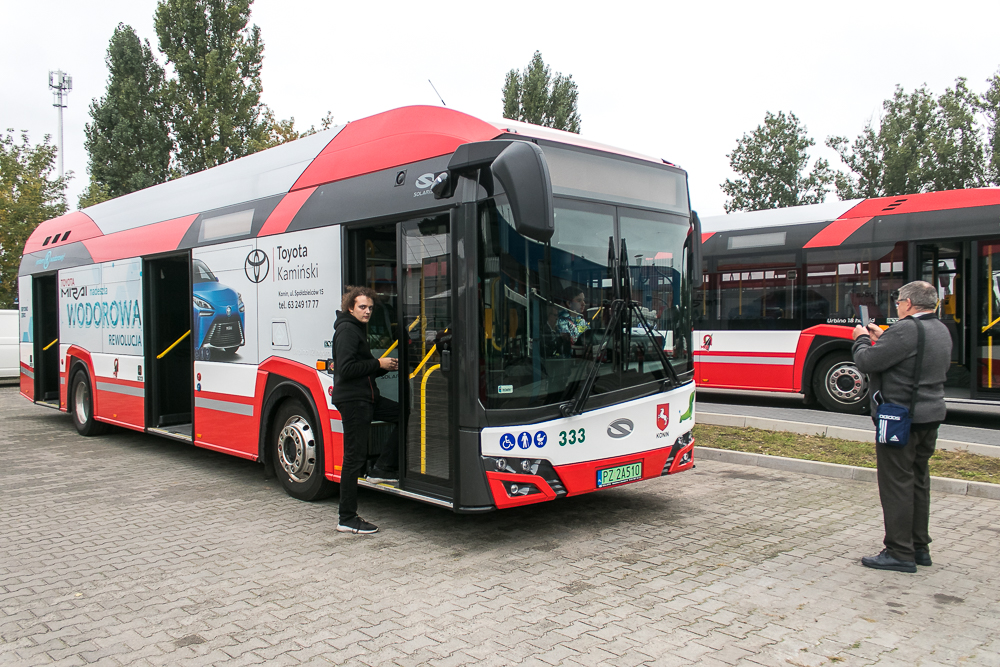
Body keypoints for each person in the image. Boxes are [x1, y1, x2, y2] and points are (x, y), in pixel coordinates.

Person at [851, 280, 951, 573]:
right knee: (918, 481)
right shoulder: (939, 329)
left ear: (908, 303)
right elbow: (912, 357)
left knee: (896, 484)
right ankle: (919, 546)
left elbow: (867, 361)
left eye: (898, 302)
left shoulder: (906, 329)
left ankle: (899, 551)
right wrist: (883, 337)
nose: (897, 306)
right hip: (930, 416)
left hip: (900, 418)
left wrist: (860, 338)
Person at [330, 286, 400, 535]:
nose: (367, 311)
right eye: (362, 307)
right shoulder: (348, 330)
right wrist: (377, 363)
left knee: (404, 414)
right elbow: (347, 370)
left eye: (370, 307)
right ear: (351, 307)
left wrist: (382, 367)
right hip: (354, 402)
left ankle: (382, 468)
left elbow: (360, 368)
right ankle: (347, 518)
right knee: (353, 459)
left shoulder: (355, 329)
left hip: (367, 398)